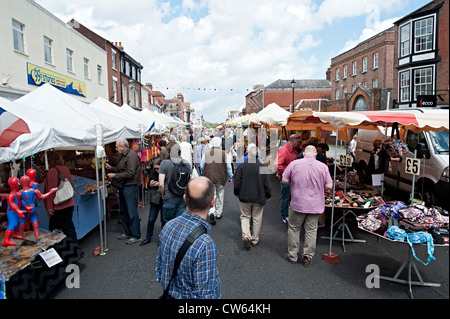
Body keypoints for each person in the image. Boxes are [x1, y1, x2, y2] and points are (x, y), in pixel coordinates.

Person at [156, 176, 221, 299]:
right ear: (212, 202)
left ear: (185, 198)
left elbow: (160, 268)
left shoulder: (168, 226)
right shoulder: (205, 244)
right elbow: (206, 294)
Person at [282, 145, 333, 267]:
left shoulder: (294, 164)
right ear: (316, 154)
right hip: (315, 205)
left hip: (298, 203)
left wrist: (293, 182)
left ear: (304, 153)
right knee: (311, 231)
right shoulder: (323, 167)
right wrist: (321, 187)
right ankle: (307, 257)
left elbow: (284, 180)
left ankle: (293, 255)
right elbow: (330, 186)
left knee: (294, 229)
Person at [233, 144, 271, 249]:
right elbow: (267, 184)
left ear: (248, 154)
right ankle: (255, 239)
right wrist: (268, 194)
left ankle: (246, 236)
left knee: (245, 216)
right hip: (259, 196)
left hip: (244, 195)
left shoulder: (242, 166)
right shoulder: (262, 167)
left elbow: (237, 182)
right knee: (257, 218)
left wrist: (236, 192)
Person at [106, 139, 141, 245]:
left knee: (131, 211)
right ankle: (128, 232)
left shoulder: (131, 156)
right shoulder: (125, 155)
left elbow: (129, 173)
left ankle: (136, 235)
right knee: (124, 210)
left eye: (117, 147)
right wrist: (111, 168)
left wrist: (115, 175)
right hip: (124, 185)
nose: (116, 149)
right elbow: (122, 170)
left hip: (129, 186)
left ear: (123, 147)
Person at [44, 151, 78, 242]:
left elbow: (52, 190)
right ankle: (74, 248)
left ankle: (59, 251)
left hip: (59, 206)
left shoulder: (52, 171)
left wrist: (49, 206)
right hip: (69, 202)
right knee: (69, 228)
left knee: (55, 231)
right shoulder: (65, 168)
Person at [200, 136, 233, 225]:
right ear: (219, 144)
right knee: (220, 195)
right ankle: (218, 213)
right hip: (221, 177)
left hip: (209, 177)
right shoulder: (224, 153)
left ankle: (211, 212)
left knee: (211, 195)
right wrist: (230, 177)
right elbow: (229, 167)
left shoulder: (206, 153)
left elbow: (202, 165)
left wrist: (203, 174)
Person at [159, 143, 192, 225]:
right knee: (180, 223)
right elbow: (191, 180)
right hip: (182, 196)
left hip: (169, 196)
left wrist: (163, 195)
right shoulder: (186, 163)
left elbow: (161, 184)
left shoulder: (165, 163)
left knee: (168, 223)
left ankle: (168, 237)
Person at [276, 134, 301, 224]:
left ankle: (290, 215)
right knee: (285, 197)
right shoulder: (284, 150)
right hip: (287, 179)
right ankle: (285, 216)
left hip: (292, 178)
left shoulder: (293, 150)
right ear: (294, 141)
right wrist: (288, 175)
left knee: (291, 197)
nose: (299, 144)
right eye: (298, 142)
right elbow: (278, 165)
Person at [141, 158, 163, 246]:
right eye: (155, 168)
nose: (156, 170)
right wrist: (150, 184)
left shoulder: (165, 173)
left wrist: (159, 184)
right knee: (151, 220)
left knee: (163, 220)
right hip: (155, 199)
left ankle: (161, 239)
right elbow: (148, 185)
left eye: (158, 168)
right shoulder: (153, 173)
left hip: (163, 198)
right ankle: (148, 237)